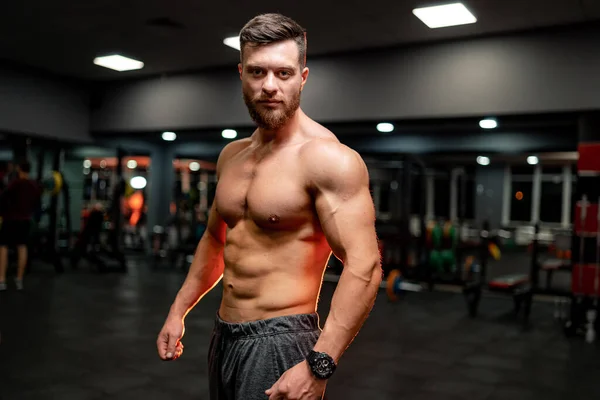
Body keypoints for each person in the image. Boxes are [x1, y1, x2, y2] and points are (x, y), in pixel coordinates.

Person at [156, 13, 382, 400]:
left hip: (282, 340)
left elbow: (366, 266)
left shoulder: (327, 159)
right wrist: (178, 310)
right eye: (258, 72)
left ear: (303, 77)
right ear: (241, 73)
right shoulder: (232, 156)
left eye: (283, 73)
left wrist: (319, 362)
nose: (270, 86)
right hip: (224, 334)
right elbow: (215, 238)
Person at [0, 161, 42, 291]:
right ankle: (19, 279)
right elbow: (37, 204)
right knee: (22, 247)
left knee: (3, 247)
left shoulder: (15, 184)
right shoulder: (34, 185)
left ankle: (1, 279)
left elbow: (3, 198)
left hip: (10, 219)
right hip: (25, 220)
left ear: (19, 169)